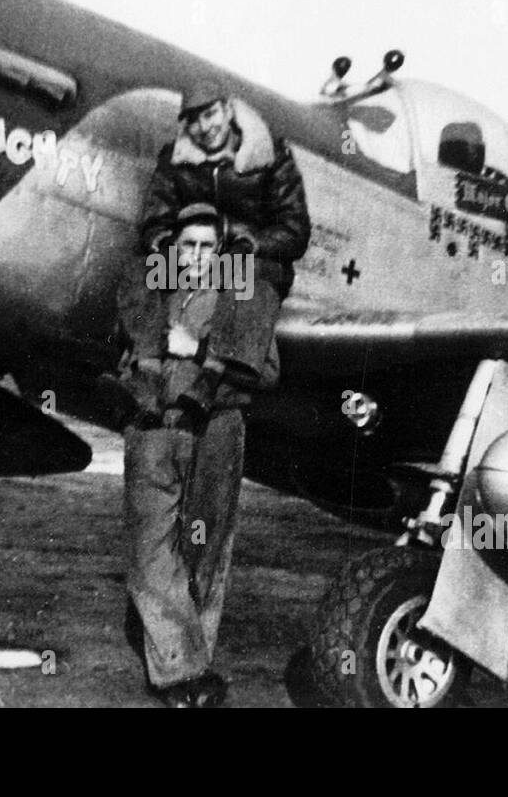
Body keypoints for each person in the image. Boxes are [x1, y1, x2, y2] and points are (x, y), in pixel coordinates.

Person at [120, 203, 256, 707]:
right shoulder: (156, 295)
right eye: (188, 245)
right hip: (155, 432)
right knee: (147, 550)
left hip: (214, 431)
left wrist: (197, 350)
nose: (196, 255)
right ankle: (188, 670)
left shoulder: (237, 300)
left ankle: (183, 681)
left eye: (206, 246)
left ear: (220, 252)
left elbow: (263, 372)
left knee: (204, 551)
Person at [114, 80, 311, 422]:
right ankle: (145, 373)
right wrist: (165, 245)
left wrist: (253, 243)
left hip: (244, 258)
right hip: (195, 258)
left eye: (210, 114)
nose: (204, 128)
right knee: (142, 269)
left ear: (228, 110)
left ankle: (211, 378)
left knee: (252, 276)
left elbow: (294, 230)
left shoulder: (273, 156)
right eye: (193, 120)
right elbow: (154, 220)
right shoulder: (174, 160)